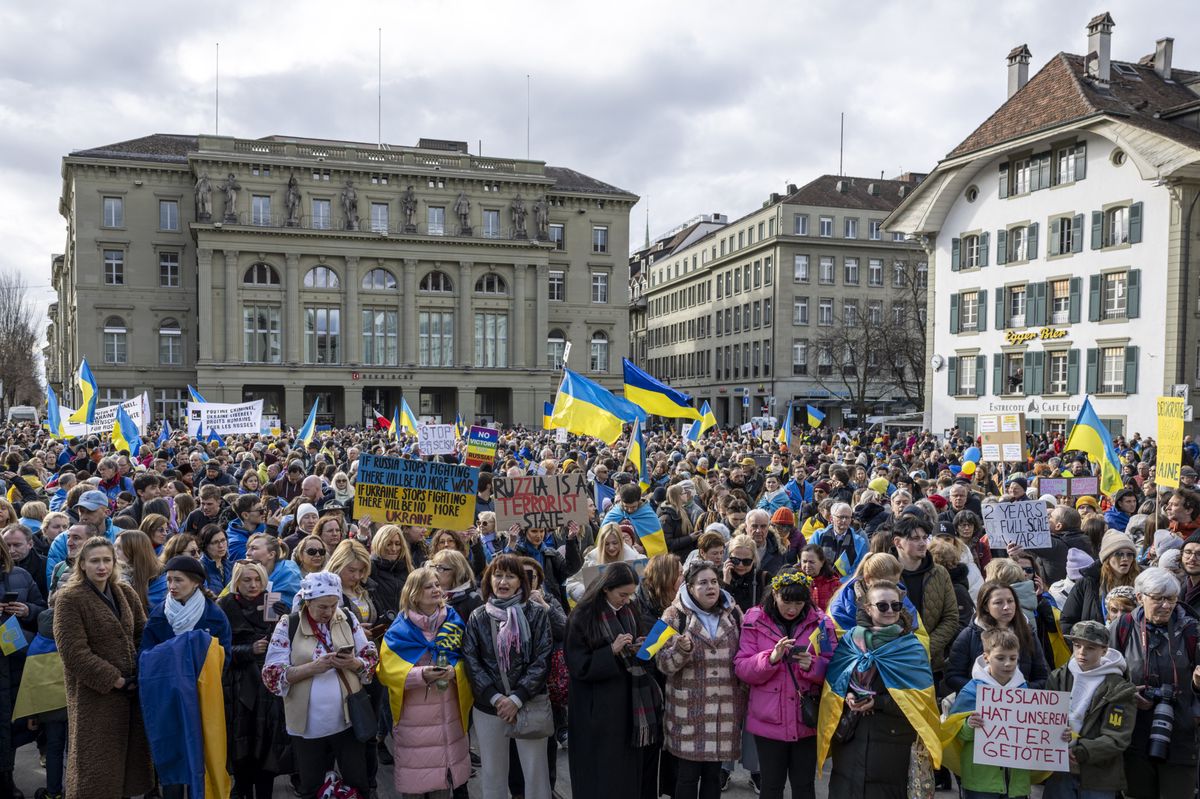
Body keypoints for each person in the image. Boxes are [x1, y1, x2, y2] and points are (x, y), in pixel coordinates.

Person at [262, 571, 379, 799]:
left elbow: (370, 657)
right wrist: (312, 668)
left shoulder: (346, 617)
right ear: (307, 602)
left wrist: (355, 662)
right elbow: (271, 674)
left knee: (358, 782)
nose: (328, 612)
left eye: (333, 605)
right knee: (311, 787)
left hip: (347, 721)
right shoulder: (289, 624)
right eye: (322, 607)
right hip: (308, 727)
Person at [53, 536, 154, 799]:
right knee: (96, 773)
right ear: (82, 565)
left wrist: (140, 673)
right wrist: (115, 680)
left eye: (107, 560)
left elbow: (144, 633)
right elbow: (74, 653)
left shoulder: (125, 592)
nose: (102, 567)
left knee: (128, 773)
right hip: (95, 698)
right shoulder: (69, 599)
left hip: (132, 693)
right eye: (95, 561)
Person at [819, 580, 940, 799]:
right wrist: (846, 696)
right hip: (852, 739)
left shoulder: (911, 647)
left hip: (893, 744)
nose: (890, 611)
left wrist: (880, 702)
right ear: (868, 608)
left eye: (895, 606)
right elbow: (835, 683)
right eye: (882, 606)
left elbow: (921, 702)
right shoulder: (850, 641)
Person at [565, 561, 663, 799]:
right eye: (622, 594)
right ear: (606, 588)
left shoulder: (630, 609)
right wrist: (611, 650)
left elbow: (636, 649)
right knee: (602, 774)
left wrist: (641, 646)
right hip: (596, 712)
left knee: (626, 773)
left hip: (628, 706)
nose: (627, 600)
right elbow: (578, 665)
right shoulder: (582, 616)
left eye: (630, 594)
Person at [734, 569, 835, 799]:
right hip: (769, 719)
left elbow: (834, 667)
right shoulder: (754, 620)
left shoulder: (821, 623)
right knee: (770, 786)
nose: (792, 609)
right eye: (786, 602)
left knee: (804, 786)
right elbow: (741, 667)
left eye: (799, 603)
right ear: (774, 595)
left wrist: (813, 666)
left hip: (806, 719)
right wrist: (770, 659)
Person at [462, 554, 553, 799]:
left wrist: (517, 698)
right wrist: (495, 698)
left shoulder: (536, 613)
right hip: (489, 706)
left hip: (529, 703)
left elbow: (542, 658)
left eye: (510, 576)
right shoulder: (478, 616)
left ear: (521, 581)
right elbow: (472, 660)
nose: (503, 581)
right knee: (493, 774)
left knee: (536, 774)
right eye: (498, 575)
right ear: (489, 580)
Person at [377, 566, 472, 799]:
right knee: (415, 785)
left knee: (443, 785)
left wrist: (454, 671)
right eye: (428, 586)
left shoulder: (454, 622)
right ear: (413, 594)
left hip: (450, 714)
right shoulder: (399, 630)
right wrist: (421, 675)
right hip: (414, 721)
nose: (436, 589)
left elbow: (468, 659)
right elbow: (386, 672)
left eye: (437, 584)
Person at [655, 559, 747, 799]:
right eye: (703, 583)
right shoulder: (672, 615)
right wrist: (681, 651)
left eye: (714, 582)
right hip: (688, 713)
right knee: (686, 777)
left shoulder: (734, 613)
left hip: (723, 712)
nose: (711, 587)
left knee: (712, 777)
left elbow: (745, 655)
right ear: (690, 586)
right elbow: (661, 664)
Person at [1108, 567, 1200, 798]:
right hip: (1133, 730)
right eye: (1158, 599)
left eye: (1171, 599)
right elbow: (1105, 677)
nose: (1167, 606)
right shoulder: (1122, 627)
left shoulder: (1192, 630)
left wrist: (1197, 685)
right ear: (1140, 598)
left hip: (1181, 732)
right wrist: (1127, 692)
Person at [1042, 620, 1135, 799]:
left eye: (1091, 647)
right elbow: (1045, 719)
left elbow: (1117, 738)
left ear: (1104, 650)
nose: (1082, 652)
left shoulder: (1118, 687)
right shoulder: (1058, 676)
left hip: (1099, 777)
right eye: (1077, 645)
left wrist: (1081, 751)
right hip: (1059, 771)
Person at [218, 559, 287, 799]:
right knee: (241, 743)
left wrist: (283, 620)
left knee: (268, 741)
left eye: (258, 579)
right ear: (237, 582)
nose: (253, 584)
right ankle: (242, 788)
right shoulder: (224, 605)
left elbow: (286, 643)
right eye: (247, 579)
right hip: (238, 686)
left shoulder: (274, 604)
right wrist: (248, 650)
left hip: (268, 686)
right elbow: (218, 650)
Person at [943, 627, 1032, 799]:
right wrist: (969, 725)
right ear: (986, 657)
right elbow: (955, 732)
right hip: (981, 782)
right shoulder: (971, 691)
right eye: (1000, 658)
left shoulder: (1025, 692)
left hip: (1016, 784)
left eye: (1013, 658)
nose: (1008, 663)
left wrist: (1056, 734)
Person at [945, 581, 1050, 692]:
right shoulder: (969, 635)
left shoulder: (1028, 633)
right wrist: (984, 691)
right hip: (979, 705)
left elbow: (1042, 678)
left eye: (1010, 601)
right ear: (986, 606)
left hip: (1020, 705)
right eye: (998, 602)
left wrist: (1019, 691)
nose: (1006, 607)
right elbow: (952, 677)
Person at [891, 514, 960, 679]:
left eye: (924, 537)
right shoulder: (884, 575)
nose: (922, 543)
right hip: (892, 663)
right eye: (915, 538)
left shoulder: (940, 573)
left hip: (930, 664)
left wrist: (925, 648)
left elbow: (951, 617)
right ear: (898, 542)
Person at [1063, 531, 1140, 632]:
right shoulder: (1088, 583)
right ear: (1107, 558)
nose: (1125, 558)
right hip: (1095, 645)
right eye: (1119, 554)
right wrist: (1081, 646)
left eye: (1130, 554)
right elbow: (1067, 621)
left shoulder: (1141, 582)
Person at [564, 522, 641, 602]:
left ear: (621, 542)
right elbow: (572, 582)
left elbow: (641, 588)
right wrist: (589, 596)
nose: (611, 548)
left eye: (615, 543)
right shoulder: (592, 558)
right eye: (606, 544)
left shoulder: (634, 558)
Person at [370, 524, 415, 623]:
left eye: (397, 544)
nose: (394, 548)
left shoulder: (409, 569)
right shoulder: (369, 568)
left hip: (404, 628)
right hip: (378, 629)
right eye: (389, 544)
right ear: (379, 543)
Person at [808, 502, 867, 577]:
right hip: (820, 581)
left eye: (848, 517)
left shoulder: (859, 542)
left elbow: (861, 569)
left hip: (847, 585)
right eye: (841, 517)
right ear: (831, 519)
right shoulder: (818, 535)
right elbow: (809, 559)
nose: (844, 520)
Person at [246, 533, 302, 609]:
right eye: (248, 548)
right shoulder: (243, 572)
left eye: (254, 548)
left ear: (271, 555)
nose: (247, 553)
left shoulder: (290, 576)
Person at [115, 529, 166, 611]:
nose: (114, 552)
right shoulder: (115, 574)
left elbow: (149, 610)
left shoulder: (161, 578)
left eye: (119, 548)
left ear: (135, 551)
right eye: (114, 547)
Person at [797, 544, 841, 611]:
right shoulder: (796, 581)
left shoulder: (835, 584)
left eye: (811, 562)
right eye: (804, 561)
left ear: (822, 562)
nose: (807, 565)